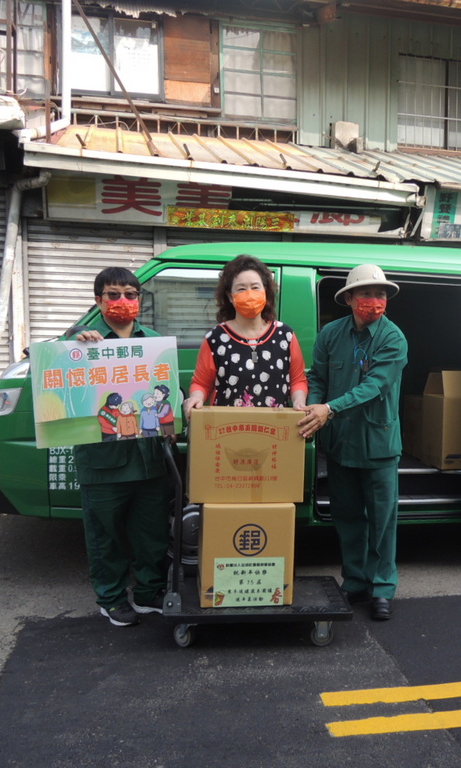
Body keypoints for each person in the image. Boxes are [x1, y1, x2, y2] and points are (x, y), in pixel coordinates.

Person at [297, 264, 408, 621]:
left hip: (378, 446)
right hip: (341, 444)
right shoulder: (331, 333)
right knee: (347, 518)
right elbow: (318, 376)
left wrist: (329, 408)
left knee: (382, 520)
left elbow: (376, 384)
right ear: (348, 298)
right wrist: (311, 406)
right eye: (366, 294)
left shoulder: (393, 338)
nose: (374, 301)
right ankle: (356, 580)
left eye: (380, 295)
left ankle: (382, 587)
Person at [67, 266, 172, 628]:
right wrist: (76, 335)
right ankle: (110, 598)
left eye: (130, 294)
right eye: (113, 295)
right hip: (103, 463)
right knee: (105, 536)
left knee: (152, 533)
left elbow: (165, 394)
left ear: (139, 300)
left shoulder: (154, 342)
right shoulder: (79, 343)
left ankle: (148, 593)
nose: (122, 302)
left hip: (148, 460)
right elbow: (49, 366)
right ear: (98, 300)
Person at [183, 254, 308, 420]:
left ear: (266, 291)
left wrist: (299, 401)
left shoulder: (285, 335)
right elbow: (201, 383)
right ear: (230, 296)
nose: (249, 294)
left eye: (255, 287)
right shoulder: (216, 338)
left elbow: (298, 380)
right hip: (228, 429)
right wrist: (196, 399)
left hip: (275, 431)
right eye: (241, 289)